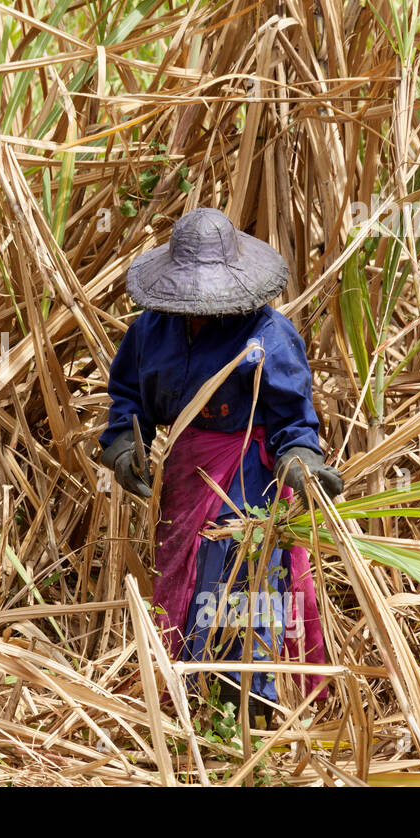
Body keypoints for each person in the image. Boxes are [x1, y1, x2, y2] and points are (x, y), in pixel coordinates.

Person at [98, 207, 342, 720]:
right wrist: (123, 446)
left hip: (249, 479)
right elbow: (127, 399)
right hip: (187, 477)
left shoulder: (269, 336)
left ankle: (247, 704)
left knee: (244, 587)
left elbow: (294, 421)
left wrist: (299, 462)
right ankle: (184, 699)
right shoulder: (151, 332)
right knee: (184, 585)